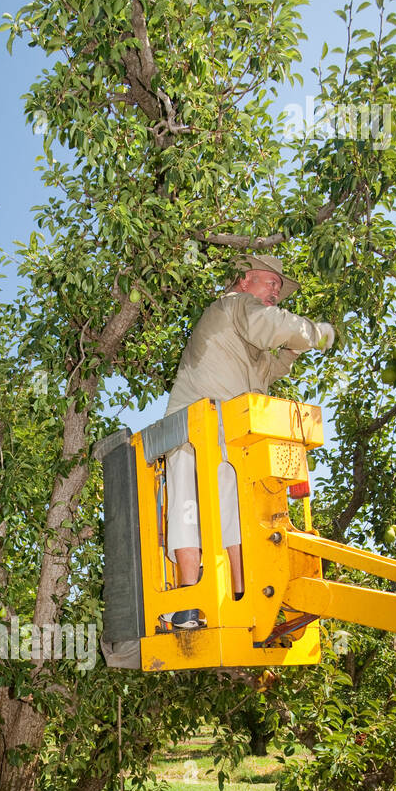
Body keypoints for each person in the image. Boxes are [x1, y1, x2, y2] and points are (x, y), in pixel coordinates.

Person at [163, 252, 335, 629]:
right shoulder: (233, 305)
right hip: (193, 434)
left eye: (279, 287)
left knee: (234, 518)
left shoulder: (245, 337)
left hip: (229, 438)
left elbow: (266, 370)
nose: (275, 291)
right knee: (188, 511)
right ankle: (189, 600)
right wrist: (318, 333)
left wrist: (291, 351)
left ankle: (243, 598)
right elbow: (273, 324)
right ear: (244, 281)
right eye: (269, 282)